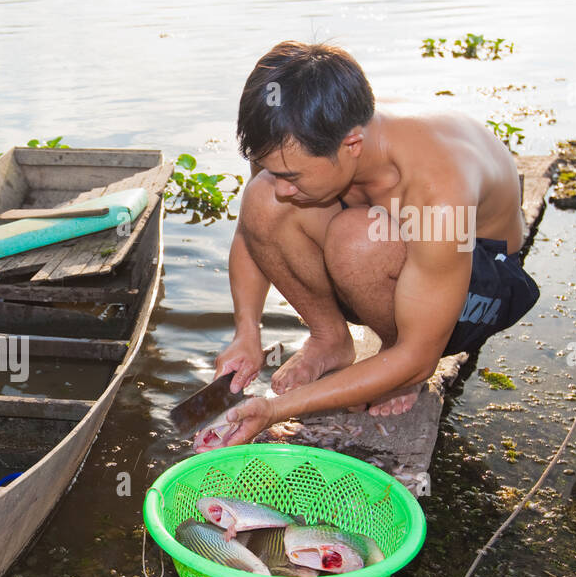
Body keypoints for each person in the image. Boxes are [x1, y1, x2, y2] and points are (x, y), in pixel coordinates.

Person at [210, 41, 539, 448]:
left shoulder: (437, 187)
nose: (280, 182)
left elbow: (419, 357)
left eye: (291, 174)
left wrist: (275, 409)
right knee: (262, 200)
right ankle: (330, 339)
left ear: (352, 146)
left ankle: (392, 358)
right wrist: (247, 332)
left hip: (484, 270)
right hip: (391, 234)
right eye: (274, 168)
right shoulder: (293, 131)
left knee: (360, 239)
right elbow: (251, 230)